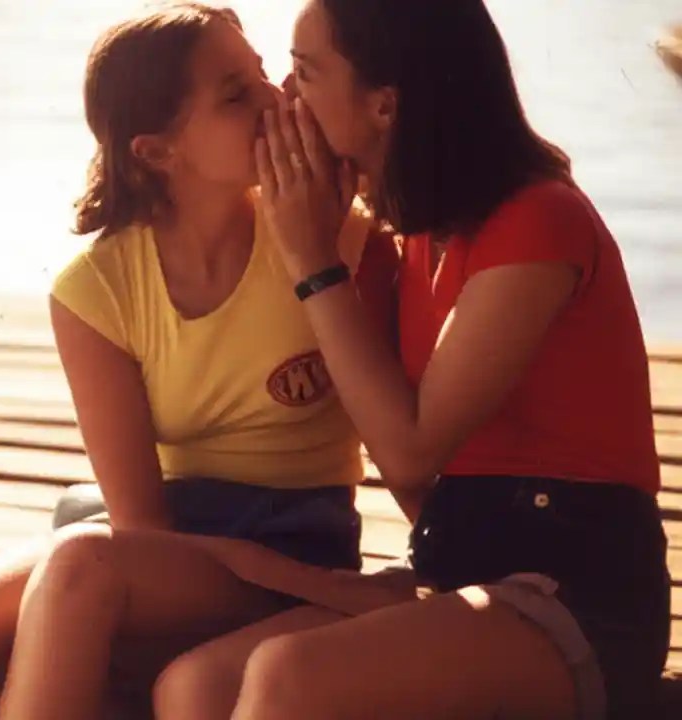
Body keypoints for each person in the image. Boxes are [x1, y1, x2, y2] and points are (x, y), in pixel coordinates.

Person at [0, 4, 399, 719]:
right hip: (170, 545)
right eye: (236, 96)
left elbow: (403, 436)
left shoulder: (336, 240)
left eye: (263, 73)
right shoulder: (96, 289)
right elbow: (143, 526)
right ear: (157, 152)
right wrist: (316, 588)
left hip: (301, 533)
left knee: (78, 566)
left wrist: (323, 583)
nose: (275, 100)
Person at [158, 1, 670, 718]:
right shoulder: (406, 242)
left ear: (384, 106)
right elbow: (416, 483)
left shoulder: (538, 220)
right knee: (195, 684)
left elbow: (409, 452)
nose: (284, 95)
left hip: (580, 598)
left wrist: (312, 261)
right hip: (460, 572)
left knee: (288, 675)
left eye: (304, 73)